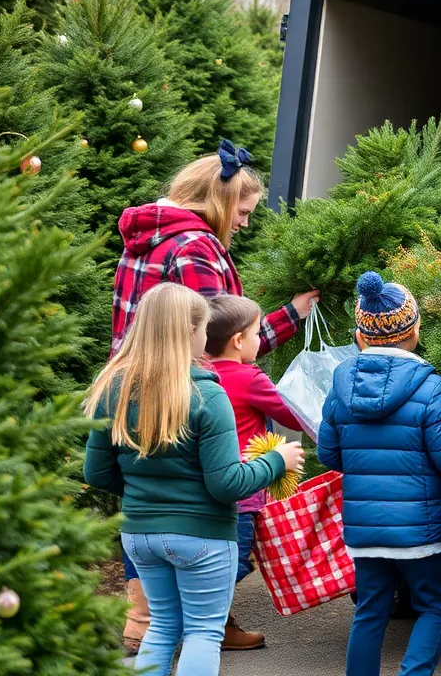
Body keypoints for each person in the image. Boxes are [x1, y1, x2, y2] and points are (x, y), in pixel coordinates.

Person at [111, 139, 319, 651]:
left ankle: (150, 623)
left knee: (146, 497)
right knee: (203, 496)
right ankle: (186, 621)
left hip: (132, 388)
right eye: (243, 212)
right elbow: (217, 340)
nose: (245, 223)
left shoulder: (146, 239)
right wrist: (290, 316)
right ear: (219, 200)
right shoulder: (197, 247)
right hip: (182, 392)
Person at [83, 283, 306, 676]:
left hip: (140, 534)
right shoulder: (207, 395)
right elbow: (226, 484)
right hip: (201, 534)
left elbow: (97, 472)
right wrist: (276, 461)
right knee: (204, 631)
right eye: (203, 329)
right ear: (190, 332)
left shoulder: (111, 388)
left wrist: (149, 492)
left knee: (164, 626)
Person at [318, 271, 441, 676]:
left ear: (360, 335)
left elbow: (328, 454)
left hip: (365, 529)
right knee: (435, 608)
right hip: (420, 531)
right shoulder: (430, 386)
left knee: (370, 613)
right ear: (415, 330)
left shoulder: (340, 386)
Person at [205, 295, 307, 650]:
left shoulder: (201, 375)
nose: (258, 342)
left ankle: (219, 625)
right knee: (238, 560)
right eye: (255, 335)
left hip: (208, 486)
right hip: (245, 491)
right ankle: (201, 616)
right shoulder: (250, 377)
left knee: (222, 555)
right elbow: (292, 415)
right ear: (237, 341)